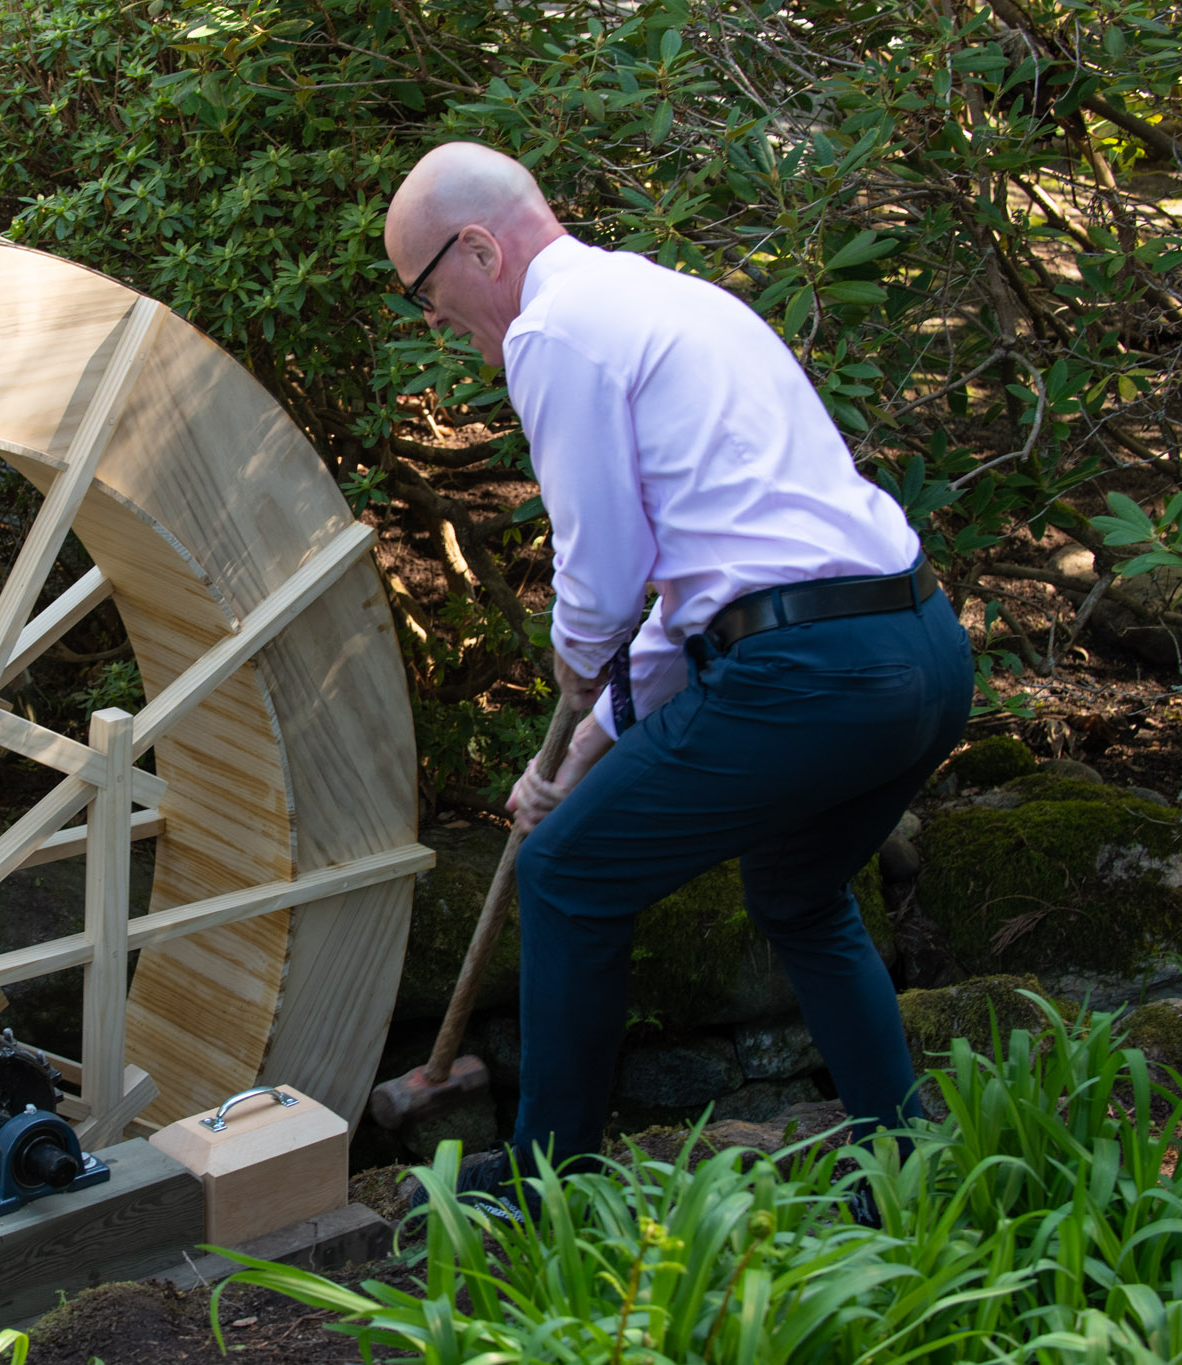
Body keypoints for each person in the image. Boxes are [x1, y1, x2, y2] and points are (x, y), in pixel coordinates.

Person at [384, 142, 972, 1201]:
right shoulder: (669, 300)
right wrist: (583, 746)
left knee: (563, 876)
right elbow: (694, 592)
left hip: (809, 672)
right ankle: (903, 1159)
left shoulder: (552, 332)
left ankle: (544, 1190)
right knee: (795, 894)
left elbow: (604, 582)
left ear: (476, 249)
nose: (441, 327)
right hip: (918, 647)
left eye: (428, 297)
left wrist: (573, 673)